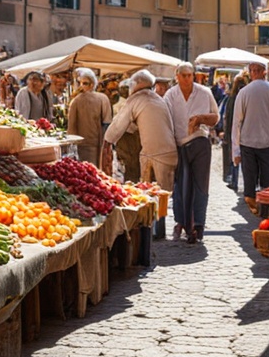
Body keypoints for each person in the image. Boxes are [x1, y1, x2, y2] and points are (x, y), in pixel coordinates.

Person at [102, 70, 179, 238]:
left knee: (148, 193)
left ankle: (148, 232)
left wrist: (107, 143)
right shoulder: (159, 99)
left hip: (152, 153)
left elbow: (116, 127)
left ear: (134, 85)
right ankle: (160, 230)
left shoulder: (136, 100)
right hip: (170, 152)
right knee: (163, 195)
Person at [164, 62, 220, 244]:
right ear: (177, 76)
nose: (187, 79)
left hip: (199, 142)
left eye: (190, 75)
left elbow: (216, 117)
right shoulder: (170, 95)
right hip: (178, 144)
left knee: (200, 185)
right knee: (180, 185)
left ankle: (198, 225)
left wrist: (201, 119)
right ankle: (180, 222)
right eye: (184, 75)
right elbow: (165, 120)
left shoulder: (204, 92)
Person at [232, 62, 269, 210]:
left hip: (248, 141)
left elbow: (237, 122)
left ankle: (251, 202)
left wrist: (236, 150)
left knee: (249, 177)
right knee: (267, 178)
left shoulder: (244, 92)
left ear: (252, 73)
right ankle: (265, 210)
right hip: (268, 140)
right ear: (264, 72)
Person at [66, 68, 112, 165]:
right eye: (81, 83)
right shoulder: (76, 101)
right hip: (84, 144)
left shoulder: (101, 98)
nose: (82, 86)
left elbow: (107, 122)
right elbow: (72, 125)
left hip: (96, 143)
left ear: (92, 84)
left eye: (85, 83)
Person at [219, 70, 249, 191]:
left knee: (234, 156)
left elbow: (226, 117)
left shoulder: (231, 98)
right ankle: (238, 182)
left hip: (233, 131)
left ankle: (234, 181)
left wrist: (226, 132)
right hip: (243, 131)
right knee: (242, 157)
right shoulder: (244, 97)